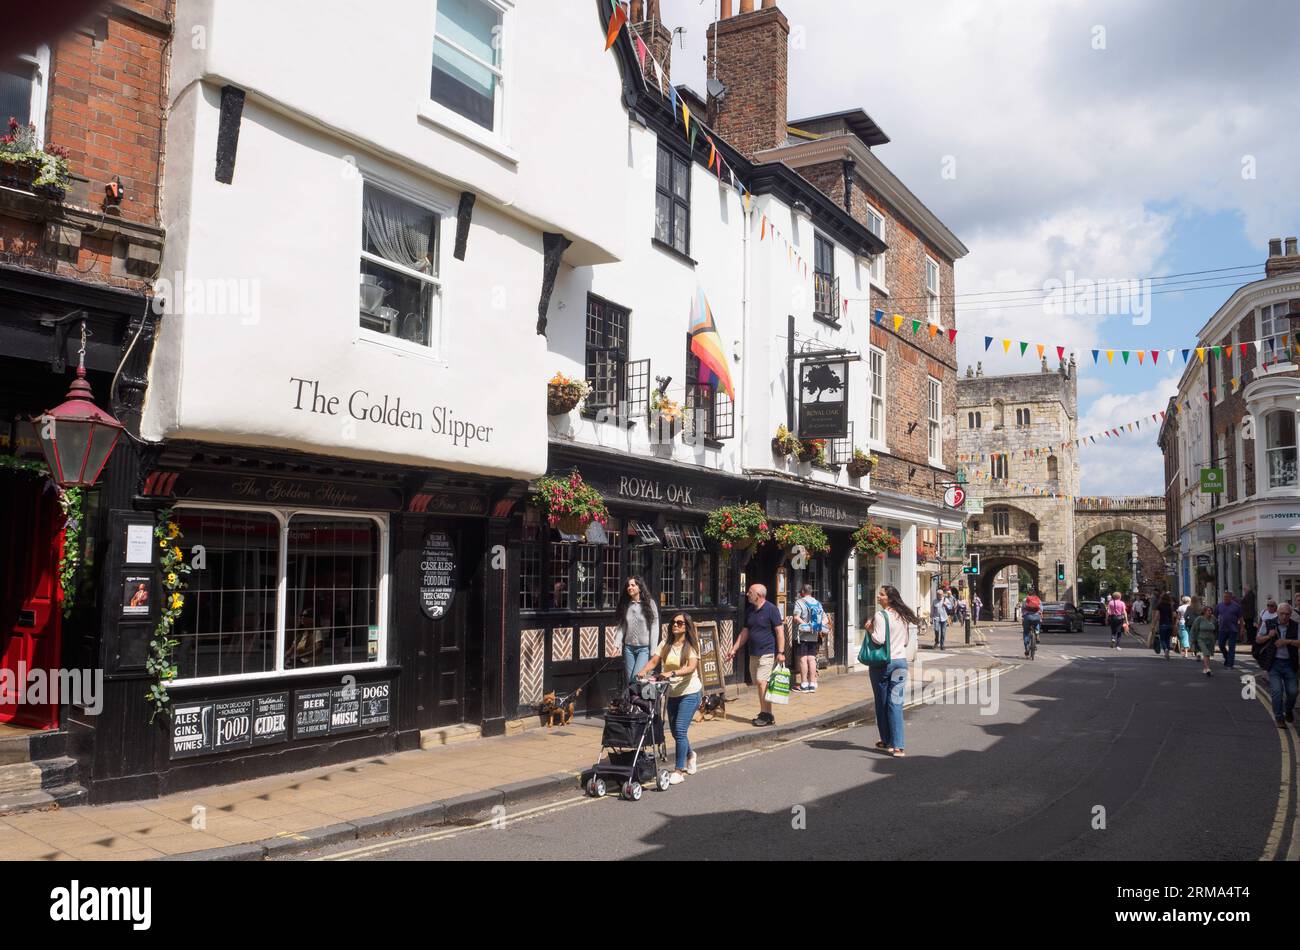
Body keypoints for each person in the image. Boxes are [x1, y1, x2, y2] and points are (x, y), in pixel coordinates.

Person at [636, 612, 702, 782]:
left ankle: (679, 771)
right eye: (673, 622)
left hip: (690, 692)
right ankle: (691, 755)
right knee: (675, 731)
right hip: (672, 693)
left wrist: (672, 672)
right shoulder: (665, 644)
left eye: (679, 623)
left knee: (680, 730)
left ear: (686, 626)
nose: (675, 625)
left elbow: (691, 667)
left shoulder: (691, 646)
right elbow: (653, 661)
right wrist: (643, 671)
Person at [867, 585, 917, 758]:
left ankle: (887, 740)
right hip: (901, 662)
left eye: (881, 595)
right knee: (895, 704)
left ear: (889, 598)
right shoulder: (903, 616)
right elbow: (904, 642)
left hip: (883, 664)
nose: (878, 597)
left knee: (881, 703)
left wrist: (870, 629)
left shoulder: (881, 615)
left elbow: (879, 639)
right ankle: (898, 746)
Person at [727, 584, 785, 727]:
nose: (747, 594)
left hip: (767, 652)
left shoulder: (771, 609)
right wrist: (734, 649)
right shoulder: (750, 611)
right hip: (753, 653)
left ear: (758, 595)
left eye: (750, 592)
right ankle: (767, 713)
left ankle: (765, 714)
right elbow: (745, 632)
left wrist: (781, 652)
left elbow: (779, 632)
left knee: (761, 682)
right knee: (758, 683)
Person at [1256, 602, 1300, 728]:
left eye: (1287, 614)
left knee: (1293, 691)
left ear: (1291, 614)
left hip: (1290, 663)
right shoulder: (1269, 623)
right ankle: (1279, 717)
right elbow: (1258, 639)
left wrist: (1287, 641)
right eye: (1282, 614)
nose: (1285, 617)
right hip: (1274, 663)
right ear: (1277, 613)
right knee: (1277, 691)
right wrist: (1268, 636)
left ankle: (1289, 709)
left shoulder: (1296, 626)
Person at [616, 576, 659, 685]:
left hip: (644, 649)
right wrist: (616, 645)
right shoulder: (626, 604)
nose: (630, 588)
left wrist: (653, 650)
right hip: (628, 648)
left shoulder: (650, 603)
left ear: (640, 588)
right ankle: (633, 702)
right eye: (628, 586)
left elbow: (655, 626)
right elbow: (622, 625)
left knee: (637, 678)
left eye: (633, 585)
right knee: (630, 681)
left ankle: (638, 701)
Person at [791, 583, 825, 692]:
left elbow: (796, 617)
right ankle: (813, 683)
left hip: (802, 635)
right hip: (814, 635)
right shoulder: (817, 603)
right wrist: (816, 627)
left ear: (802, 592)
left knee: (803, 658)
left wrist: (806, 625)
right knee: (811, 658)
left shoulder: (799, 602)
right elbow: (825, 618)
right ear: (811, 592)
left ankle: (804, 684)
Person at [1214, 590, 1244, 669]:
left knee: (1231, 647)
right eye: (1224, 597)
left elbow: (1241, 618)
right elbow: (1214, 616)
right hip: (1222, 629)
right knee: (1221, 645)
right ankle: (1227, 658)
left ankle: (1230, 664)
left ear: (1231, 598)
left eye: (1227, 597)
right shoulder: (1219, 606)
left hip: (1232, 629)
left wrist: (1242, 629)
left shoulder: (1236, 606)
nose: (1226, 598)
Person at [1190, 605, 1217, 677]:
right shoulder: (1199, 619)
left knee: (1208, 654)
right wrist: (1193, 639)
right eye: (1208, 611)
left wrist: (1216, 638)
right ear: (1204, 612)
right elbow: (1193, 629)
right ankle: (1208, 669)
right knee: (1206, 653)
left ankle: (1205, 668)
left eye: (1211, 611)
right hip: (1201, 638)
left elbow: (1216, 629)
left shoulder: (1213, 619)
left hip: (1211, 639)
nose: (1210, 612)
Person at [1154, 592, 1175, 658]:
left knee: (1162, 639)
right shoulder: (1170, 606)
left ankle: (1165, 649)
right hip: (1170, 624)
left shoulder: (1159, 605)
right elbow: (1173, 615)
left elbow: (1156, 616)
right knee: (1168, 639)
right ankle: (1167, 651)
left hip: (1162, 624)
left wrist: (1153, 624)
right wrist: (1173, 624)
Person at [1022, 590, 1042, 658]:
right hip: (1036, 617)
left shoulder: (1025, 600)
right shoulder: (1038, 599)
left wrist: (1023, 615)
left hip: (1027, 617)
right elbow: (1041, 609)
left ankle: (1027, 649)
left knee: (1026, 633)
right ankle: (1037, 633)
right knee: (1037, 624)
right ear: (1035, 594)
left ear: (1028, 594)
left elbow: (1023, 609)